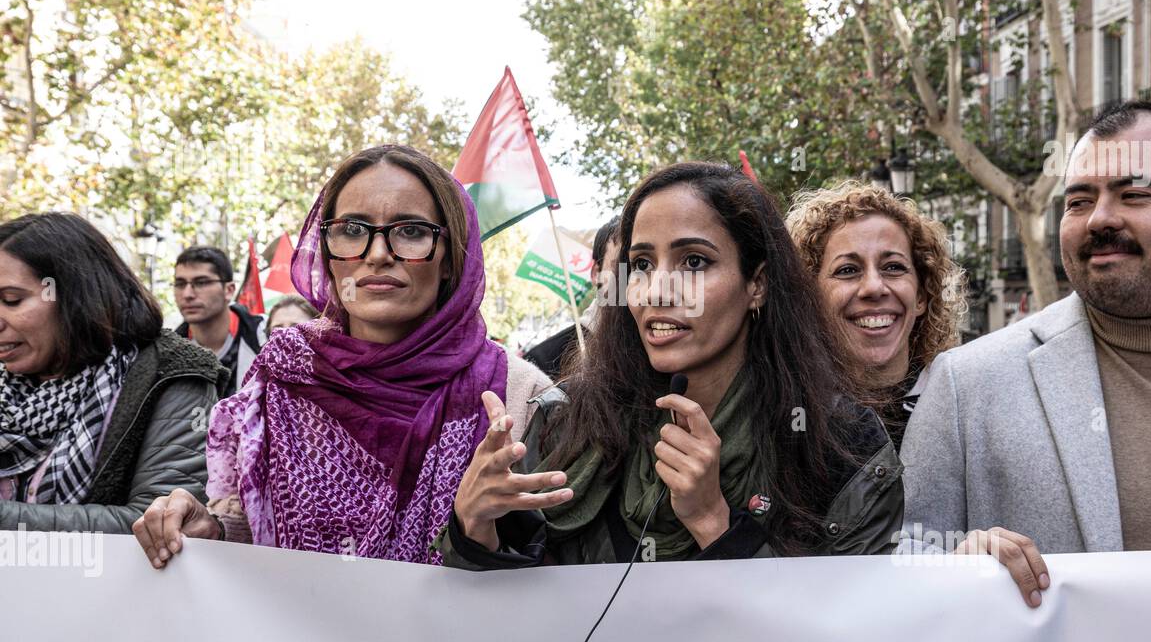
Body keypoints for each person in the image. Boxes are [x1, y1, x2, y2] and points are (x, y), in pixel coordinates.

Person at [900, 101, 1151, 606]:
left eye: (1133, 194)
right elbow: (900, 555)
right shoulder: (966, 383)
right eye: (1078, 201)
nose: (1099, 219)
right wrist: (954, 567)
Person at [435, 161, 903, 568]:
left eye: (694, 261)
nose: (657, 291)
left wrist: (712, 522)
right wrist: (475, 531)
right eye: (641, 264)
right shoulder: (566, 419)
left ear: (756, 284)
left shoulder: (840, 443)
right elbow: (507, 625)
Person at [133, 144, 552, 567]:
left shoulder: (519, 394)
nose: (377, 254)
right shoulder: (283, 377)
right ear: (327, 254)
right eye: (351, 230)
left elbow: (557, 575)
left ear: (449, 258)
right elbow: (256, 526)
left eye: (410, 231)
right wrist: (212, 528)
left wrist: (477, 534)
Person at [0, 213, 222, 531]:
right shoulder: (10, 383)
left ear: (74, 296)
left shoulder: (172, 375)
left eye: (12, 300)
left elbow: (157, 524)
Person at [786, 181, 965, 449]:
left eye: (893, 267)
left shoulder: (967, 409)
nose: (873, 287)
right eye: (847, 270)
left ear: (921, 296)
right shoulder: (785, 420)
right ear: (811, 299)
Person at [523, 216, 620, 379]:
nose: (632, 277)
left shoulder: (667, 352)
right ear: (597, 273)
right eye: (619, 266)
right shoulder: (543, 363)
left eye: (642, 264)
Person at [173, 245, 262, 398]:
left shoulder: (264, 338)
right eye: (180, 284)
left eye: (201, 282)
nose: (187, 294)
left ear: (229, 290)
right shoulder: (168, 352)